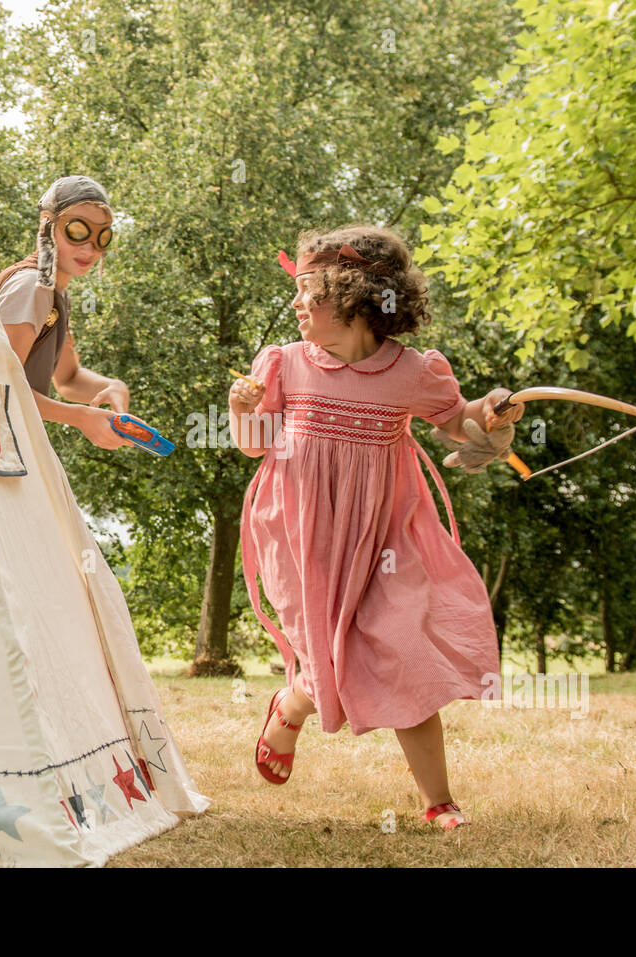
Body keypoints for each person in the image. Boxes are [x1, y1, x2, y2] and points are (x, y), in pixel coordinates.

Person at [229, 224, 523, 830]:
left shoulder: (411, 372)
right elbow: (255, 445)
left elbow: (457, 423)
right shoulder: (285, 363)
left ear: (352, 296)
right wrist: (241, 411)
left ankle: (439, 800)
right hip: (302, 535)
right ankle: (292, 706)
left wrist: (493, 413)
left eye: (307, 289)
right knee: (330, 656)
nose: (295, 302)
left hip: (386, 535)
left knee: (403, 649)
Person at [0, 175, 136, 449]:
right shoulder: (31, 287)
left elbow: (68, 380)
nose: (89, 248)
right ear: (47, 226)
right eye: (77, 231)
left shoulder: (54, 293)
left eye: (102, 236)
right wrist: (80, 417)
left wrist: (113, 387)